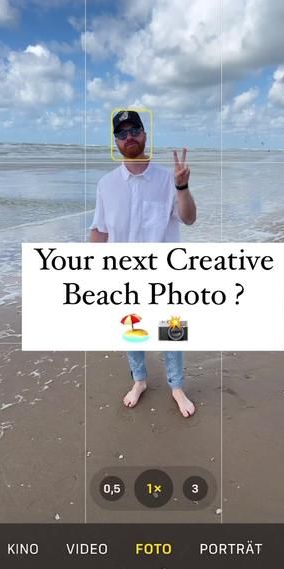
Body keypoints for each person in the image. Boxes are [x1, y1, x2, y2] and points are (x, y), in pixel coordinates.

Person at [89, 110, 197, 417]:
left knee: (171, 329)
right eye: (122, 134)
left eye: (134, 130)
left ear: (145, 134)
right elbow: (100, 228)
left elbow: (189, 219)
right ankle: (139, 381)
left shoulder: (168, 178)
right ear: (116, 142)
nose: (129, 138)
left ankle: (177, 387)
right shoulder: (106, 184)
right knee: (131, 328)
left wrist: (182, 187)